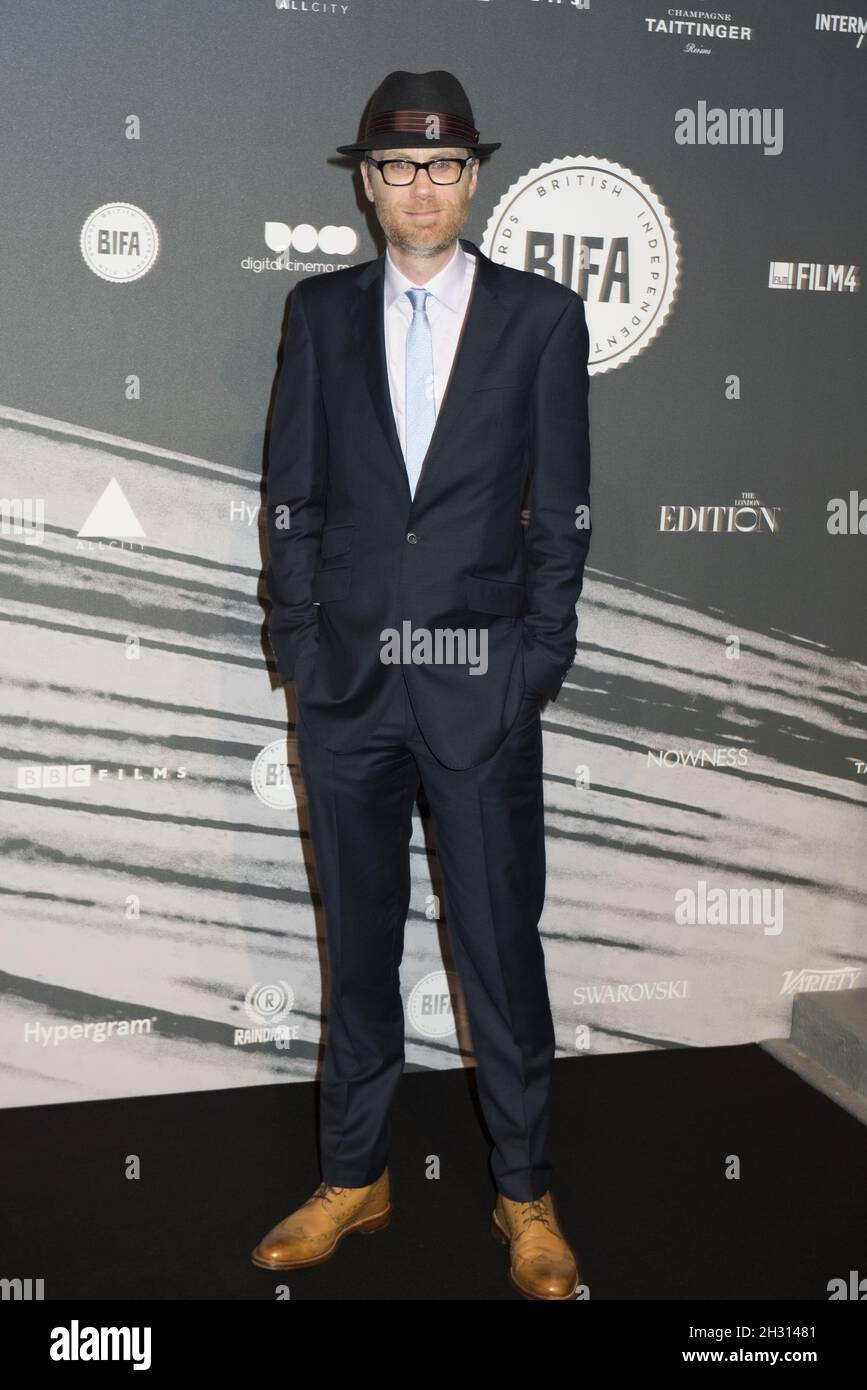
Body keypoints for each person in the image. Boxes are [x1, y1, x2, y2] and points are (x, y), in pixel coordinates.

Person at [252, 69, 591, 1300]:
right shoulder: (321, 311)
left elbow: (559, 516)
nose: (421, 186)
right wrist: (300, 642)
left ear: (474, 178)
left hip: (479, 689)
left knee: (499, 949)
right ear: (366, 181)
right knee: (357, 951)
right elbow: (291, 496)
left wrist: (532, 665)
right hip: (346, 690)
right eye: (398, 166)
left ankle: (526, 1196)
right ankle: (356, 1175)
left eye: (444, 166)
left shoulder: (542, 321)